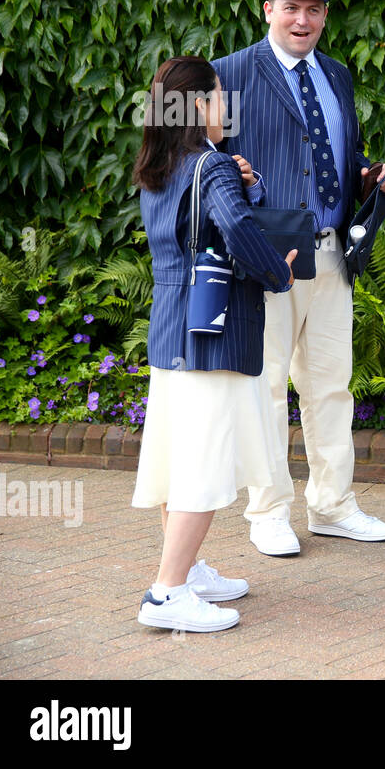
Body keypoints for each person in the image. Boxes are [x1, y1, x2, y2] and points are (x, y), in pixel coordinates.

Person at [214, 0, 385, 557]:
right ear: (266, 9)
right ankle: (267, 511)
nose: (303, 20)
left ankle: (332, 505)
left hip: (331, 249)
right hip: (268, 249)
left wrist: (367, 175)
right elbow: (194, 154)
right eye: (291, 7)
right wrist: (233, 176)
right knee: (266, 386)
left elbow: (331, 149)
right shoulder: (230, 73)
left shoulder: (337, 75)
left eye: (314, 9)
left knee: (331, 386)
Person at [132, 56, 296, 632]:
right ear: (199, 105)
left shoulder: (161, 165)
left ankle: (189, 569)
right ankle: (167, 592)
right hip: (213, 332)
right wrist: (279, 271)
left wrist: (240, 181)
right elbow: (238, 231)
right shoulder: (212, 165)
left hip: (173, 325)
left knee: (181, 457)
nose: (229, 108)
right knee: (202, 462)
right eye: (222, 97)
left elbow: (196, 229)